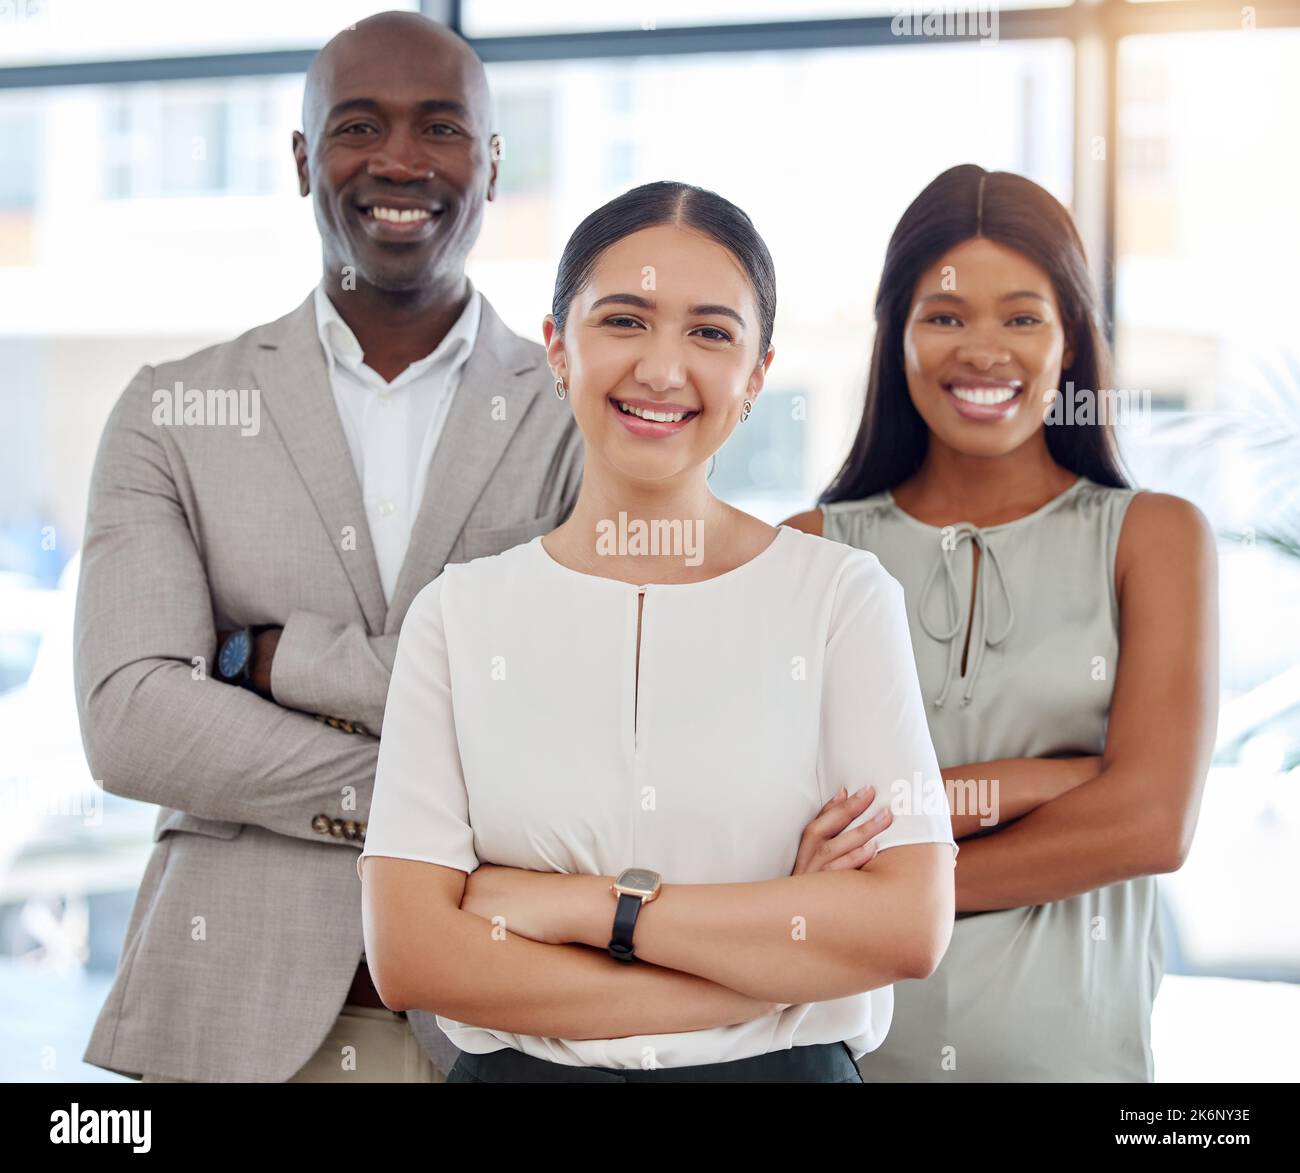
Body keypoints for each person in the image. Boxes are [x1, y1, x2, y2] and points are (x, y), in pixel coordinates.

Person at [74, 12, 582, 1083]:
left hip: (514, 1031)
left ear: (491, 164)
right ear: (304, 159)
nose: (399, 160)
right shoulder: (172, 413)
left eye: (440, 129)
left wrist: (270, 664)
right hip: (228, 1027)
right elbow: (132, 725)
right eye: (359, 126)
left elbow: (577, 717)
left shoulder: (579, 416)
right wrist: (442, 799)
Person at [357, 180, 959, 1083]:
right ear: (558, 348)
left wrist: (588, 910)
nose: (662, 370)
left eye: (711, 333)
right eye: (625, 320)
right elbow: (413, 955)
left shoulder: (838, 598)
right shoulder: (458, 614)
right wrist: (774, 949)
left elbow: (908, 927)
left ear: (757, 374)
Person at [783, 164, 1218, 1081]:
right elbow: (777, 830)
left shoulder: (1155, 537)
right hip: (844, 1064)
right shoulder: (810, 552)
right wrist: (1053, 780)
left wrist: (895, 888)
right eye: (944, 316)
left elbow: (1148, 823)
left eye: (1022, 316)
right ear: (896, 337)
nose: (983, 350)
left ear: (1069, 342)